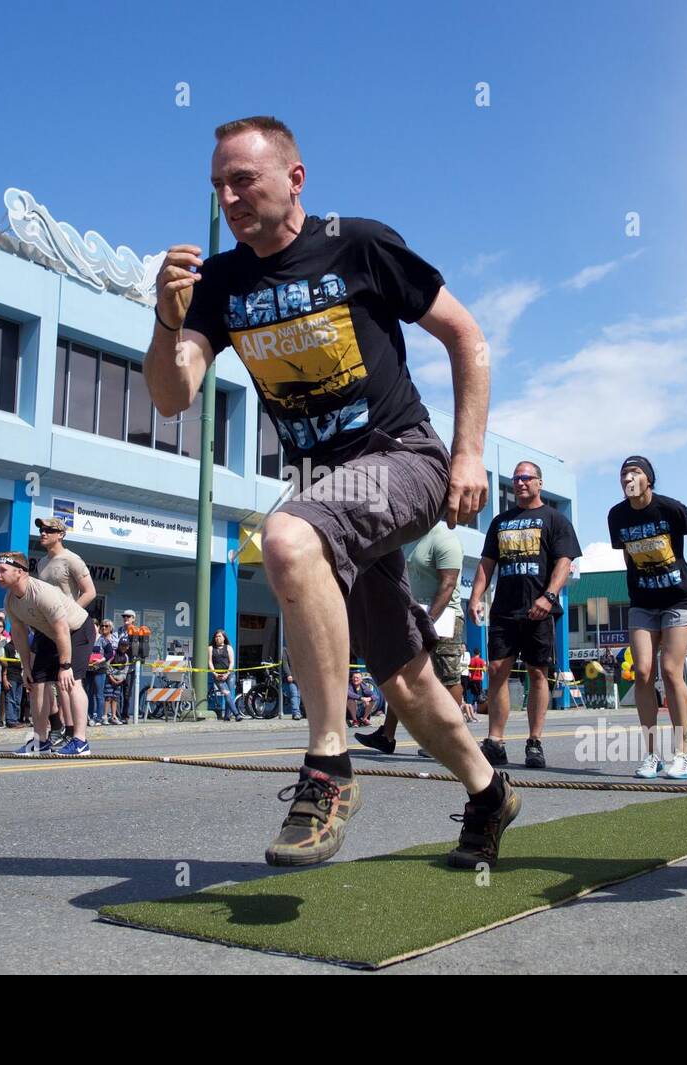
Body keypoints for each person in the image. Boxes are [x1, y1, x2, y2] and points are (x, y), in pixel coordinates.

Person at [152, 116, 513, 869]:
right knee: (407, 680)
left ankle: (328, 766)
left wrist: (470, 451)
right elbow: (171, 394)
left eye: (242, 179)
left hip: (403, 459)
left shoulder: (360, 244)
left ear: (295, 178)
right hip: (327, 491)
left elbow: (467, 336)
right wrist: (165, 321)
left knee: (285, 537)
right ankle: (488, 792)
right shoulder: (218, 283)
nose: (228, 197)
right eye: (219, 185)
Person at [608, 457, 687, 780]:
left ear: (649, 479)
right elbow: (629, 553)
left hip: (678, 601)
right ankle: (651, 754)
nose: (628, 478)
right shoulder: (617, 516)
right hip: (642, 602)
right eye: (624, 474)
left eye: (635, 472)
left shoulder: (671, 509)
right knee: (642, 671)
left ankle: (683, 752)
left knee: (670, 670)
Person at [468, 462, 581, 770]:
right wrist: (476, 597)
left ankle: (534, 742)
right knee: (496, 670)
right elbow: (486, 564)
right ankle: (495, 742)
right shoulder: (500, 522)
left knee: (537, 673)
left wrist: (549, 596)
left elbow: (564, 562)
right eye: (516, 478)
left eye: (526, 478)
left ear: (539, 483)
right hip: (505, 609)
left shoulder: (555, 520)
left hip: (538, 610)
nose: (520, 483)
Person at [358, 520, 469, 758]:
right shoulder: (411, 537)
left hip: (444, 617)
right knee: (402, 674)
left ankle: (453, 739)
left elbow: (448, 584)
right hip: (415, 613)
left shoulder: (445, 539)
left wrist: (428, 620)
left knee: (448, 677)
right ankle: (386, 735)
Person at [0, 551, 96, 756]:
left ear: (20, 572)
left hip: (76, 630)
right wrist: (26, 667)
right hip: (48, 634)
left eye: (3, 570)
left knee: (71, 682)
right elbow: (19, 633)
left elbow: (62, 630)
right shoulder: (10, 600)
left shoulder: (42, 593)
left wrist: (65, 666)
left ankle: (80, 741)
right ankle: (40, 740)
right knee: (36, 684)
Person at [34, 516, 96, 745]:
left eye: (49, 529)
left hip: (74, 626)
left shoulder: (71, 559)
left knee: (70, 681)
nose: (43, 532)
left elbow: (90, 592)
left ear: (60, 534)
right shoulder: (41, 563)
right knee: (42, 682)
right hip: (50, 629)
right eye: (41, 529)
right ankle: (48, 734)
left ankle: (77, 737)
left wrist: (69, 614)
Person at [86, 619, 118, 725]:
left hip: (100, 670)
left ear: (97, 627)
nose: (103, 628)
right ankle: (89, 715)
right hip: (88, 670)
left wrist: (102, 660)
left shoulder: (103, 639)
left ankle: (99, 717)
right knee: (88, 694)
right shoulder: (87, 638)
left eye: (95, 625)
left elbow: (110, 653)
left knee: (99, 694)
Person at [209, 629, 242, 721]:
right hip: (218, 676)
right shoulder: (211, 648)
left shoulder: (228, 648)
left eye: (219, 636)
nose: (217, 638)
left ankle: (227, 716)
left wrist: (227, 673)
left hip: (229, 674)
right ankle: (236, 714)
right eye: (216, 636)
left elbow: (232, 662)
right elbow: (210, 662)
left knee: (229, 695)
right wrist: (214, 673)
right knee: (226, 694)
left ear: (224, 638)